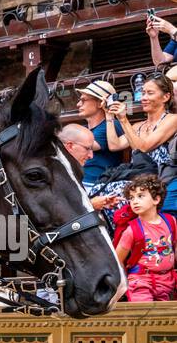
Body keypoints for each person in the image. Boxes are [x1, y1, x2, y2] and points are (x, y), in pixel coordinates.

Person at [106, 75, 177, 214]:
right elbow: (114, 145)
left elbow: (143, 148)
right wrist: (109, 116)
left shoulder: (172, 119)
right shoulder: (138, 126)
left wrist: (123, 119)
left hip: (160, 182)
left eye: (150, 93)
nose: (143, 97)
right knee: (103, 195)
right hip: (139, 182)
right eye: (143, 92)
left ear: (166, 97)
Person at [116, 175, 177, 301]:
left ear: (156, 199)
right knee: (143, 315)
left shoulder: (171, 222)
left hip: (167, 281)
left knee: (166, 318)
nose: (135, 201)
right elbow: (118, 259)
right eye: (131, 198)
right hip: (140, 281)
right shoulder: (131, 230)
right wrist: (124, 283)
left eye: (140, 196)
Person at [74, 80, 125, 188]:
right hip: (80, 183)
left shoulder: (112, 125)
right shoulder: (84, 130)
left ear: (100, 103)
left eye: (83, 100)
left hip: (98, 185)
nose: (78, 104)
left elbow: (88, 145)